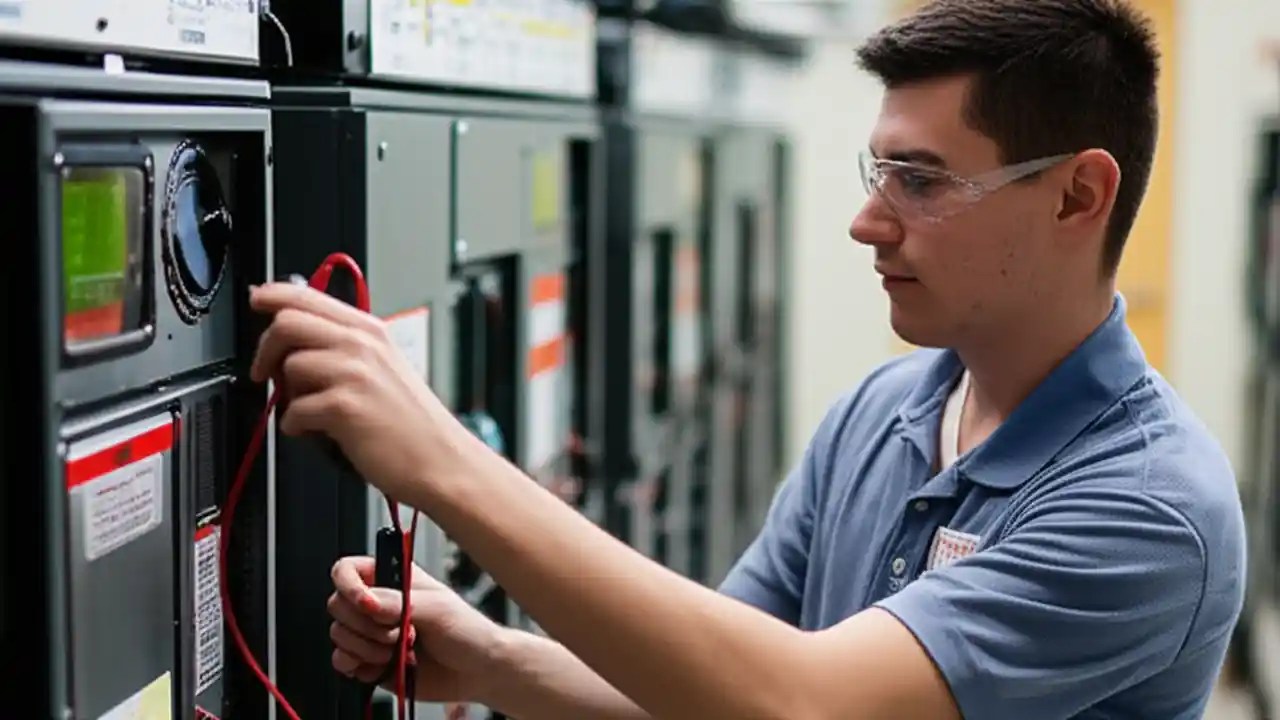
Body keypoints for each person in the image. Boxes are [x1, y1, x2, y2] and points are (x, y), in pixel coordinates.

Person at [249, 0, 1247, 717]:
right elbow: (709, 694)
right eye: (877, 171)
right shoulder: (883, 412)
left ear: (1077, 196)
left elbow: (800, 705)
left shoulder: (1143, 507)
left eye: (919, 181)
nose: (867, 221)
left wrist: (440, 461)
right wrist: (504, 662)